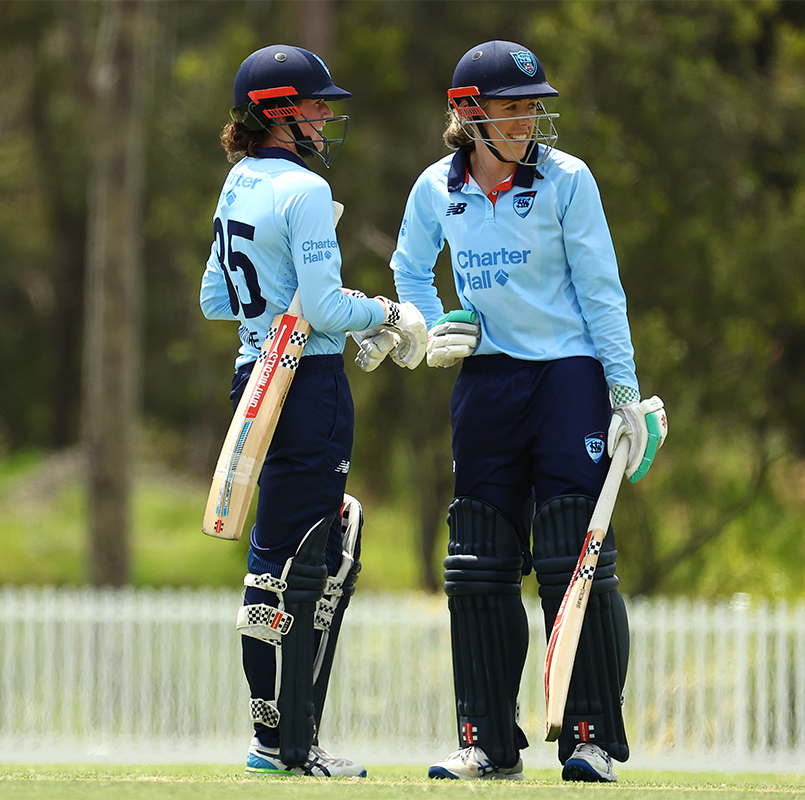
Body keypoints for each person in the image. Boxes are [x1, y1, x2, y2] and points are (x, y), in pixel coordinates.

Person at [376, 40, 668, 782]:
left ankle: (590, 736)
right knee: (476, 562)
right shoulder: (433, 189)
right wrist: (434, 318)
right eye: (512, 109)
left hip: (568, 374)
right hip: (486, 379)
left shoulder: (568, 181)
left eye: (534, 107)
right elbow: (408, 268)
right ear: (468, 115)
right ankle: (484, 740)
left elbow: (602, 290)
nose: (528, 121)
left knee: (573, 558)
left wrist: (624, 394)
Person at [199, 44, 425, 778]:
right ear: (276, 112)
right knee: (301, 563)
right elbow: (324, 305)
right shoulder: (298, 189)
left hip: (253, 378)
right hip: (308, 386)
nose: (327, 117)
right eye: (316, 105)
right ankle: (287, 745)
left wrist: (298, 314)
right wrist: (386, 312)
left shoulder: (239, 182)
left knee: (284, 557)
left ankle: (282, 736)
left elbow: (214, 298)